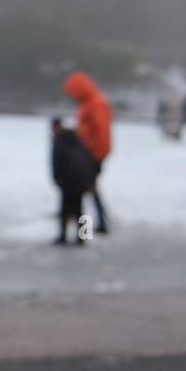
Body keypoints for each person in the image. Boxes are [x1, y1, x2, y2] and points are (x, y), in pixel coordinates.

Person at [64, 71, 112, 235]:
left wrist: (95, 155)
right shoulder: (90, 103)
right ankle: (99, 223)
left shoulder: (96, 104)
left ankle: (85, 231)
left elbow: (101, 132)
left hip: (91, 156)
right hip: (87, 154)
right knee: (90, 191)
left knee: (83, 192)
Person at [50, 117, 95, 245]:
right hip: (82, 178)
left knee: (65, 208)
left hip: (68, 180)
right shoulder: (77, 139)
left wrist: (57, 180)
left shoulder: (59, 142)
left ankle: (63, 236)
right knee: (80, 208)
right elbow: (88, 157)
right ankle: (84, 237)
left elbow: (56, 163)